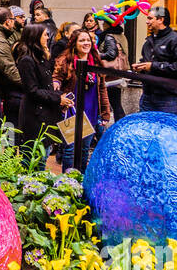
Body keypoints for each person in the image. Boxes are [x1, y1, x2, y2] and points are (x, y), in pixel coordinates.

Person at [53, 27, 111, 170]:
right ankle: (67, 182)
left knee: (85, 149)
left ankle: (81, 180)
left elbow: (102, 88)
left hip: (91, 110)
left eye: (88, 40)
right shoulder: (65, 60)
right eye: (82, 40)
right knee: (70, 150)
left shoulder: (96, 61)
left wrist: (105, 112)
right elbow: (56, 77)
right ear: (74, 43)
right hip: (72, 110)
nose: (86, 43)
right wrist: (57, 85)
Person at [15, 23, 74, 156]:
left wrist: (61, 98)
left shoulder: (43, 58)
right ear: (35, 37)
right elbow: (32, 90)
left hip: (46, 114)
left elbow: (48, 86)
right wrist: (58, 99)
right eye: (45, 35)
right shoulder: (26, 61)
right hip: (34, 116)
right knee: (33, 158)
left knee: (43, 157)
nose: (48, 38)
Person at [133, 6, 177, 113]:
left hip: (168, 98)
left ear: (160, 19)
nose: (147, 22)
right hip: (147, 96)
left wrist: (152, 66)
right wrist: (141, 67)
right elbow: (146, 61)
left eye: (150, 18)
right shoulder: (148, 42)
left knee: (168, 129)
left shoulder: (176, 40)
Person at [96, 15, 130, 122]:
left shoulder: (109, 36)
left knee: (114, 102)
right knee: (116, 102)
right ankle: (120, 124)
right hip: (118, 73)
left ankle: (119, 125)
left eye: (104, 23)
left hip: (110, 74)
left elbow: (111, 54)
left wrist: (97, 55)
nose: (102, 25)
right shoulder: (121, 35)